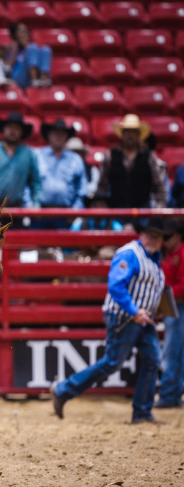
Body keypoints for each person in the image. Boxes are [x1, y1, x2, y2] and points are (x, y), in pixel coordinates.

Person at [52, 218, 168, 424]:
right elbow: (116, 286)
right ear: (142, 235)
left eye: (157, 237)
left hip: (143, 319)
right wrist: (134, 311)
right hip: (124, 317)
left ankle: (142, 412)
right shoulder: (130, 254)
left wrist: (153, 309)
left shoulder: (153, 259)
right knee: (112, 363)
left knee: (152, 360)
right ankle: (63, 390)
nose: (153, 239)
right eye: (150, 234)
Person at [94, 114, 167, 209]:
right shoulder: (110, 155)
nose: (130, 135)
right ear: (122, 134)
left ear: (138, 135)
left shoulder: (149, 156)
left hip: (142, 213)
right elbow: (101, 186)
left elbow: (159, 186)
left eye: (134, 132)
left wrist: (160, 206)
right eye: (127, 131)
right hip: (117, 212)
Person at [156, 220, 184, 409]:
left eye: (168, 236)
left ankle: (168, 395)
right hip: (174, 306)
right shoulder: (168, 254)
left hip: (178, 307)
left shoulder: (180, 254)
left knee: (171, 352)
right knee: (176, 352)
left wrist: (162, 297)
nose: (165, 240)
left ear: (179, 235)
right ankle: (173, 395)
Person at [36, 119, 87, 209]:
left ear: (66, 136)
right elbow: (28, 184)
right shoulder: (38, 156)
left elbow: (82, 190)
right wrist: (32, 207)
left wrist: (75, 212)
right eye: (55, 133)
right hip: (41, 211)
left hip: (66, 212)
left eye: (62, 134)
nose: (59, 137)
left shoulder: (76, 159)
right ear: (49, 135)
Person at [5, 23, 52, 89]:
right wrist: (14, 51)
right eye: (21, 31)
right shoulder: (12, 48)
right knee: (32, 47)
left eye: (26, 31)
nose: (25, 33)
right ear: (15, 34)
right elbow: (7, 69)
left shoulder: (32, 49)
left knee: (46, 49)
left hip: (29, 77)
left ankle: (43, 80)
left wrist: (27, 47)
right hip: (17, 77)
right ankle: (34, 80)